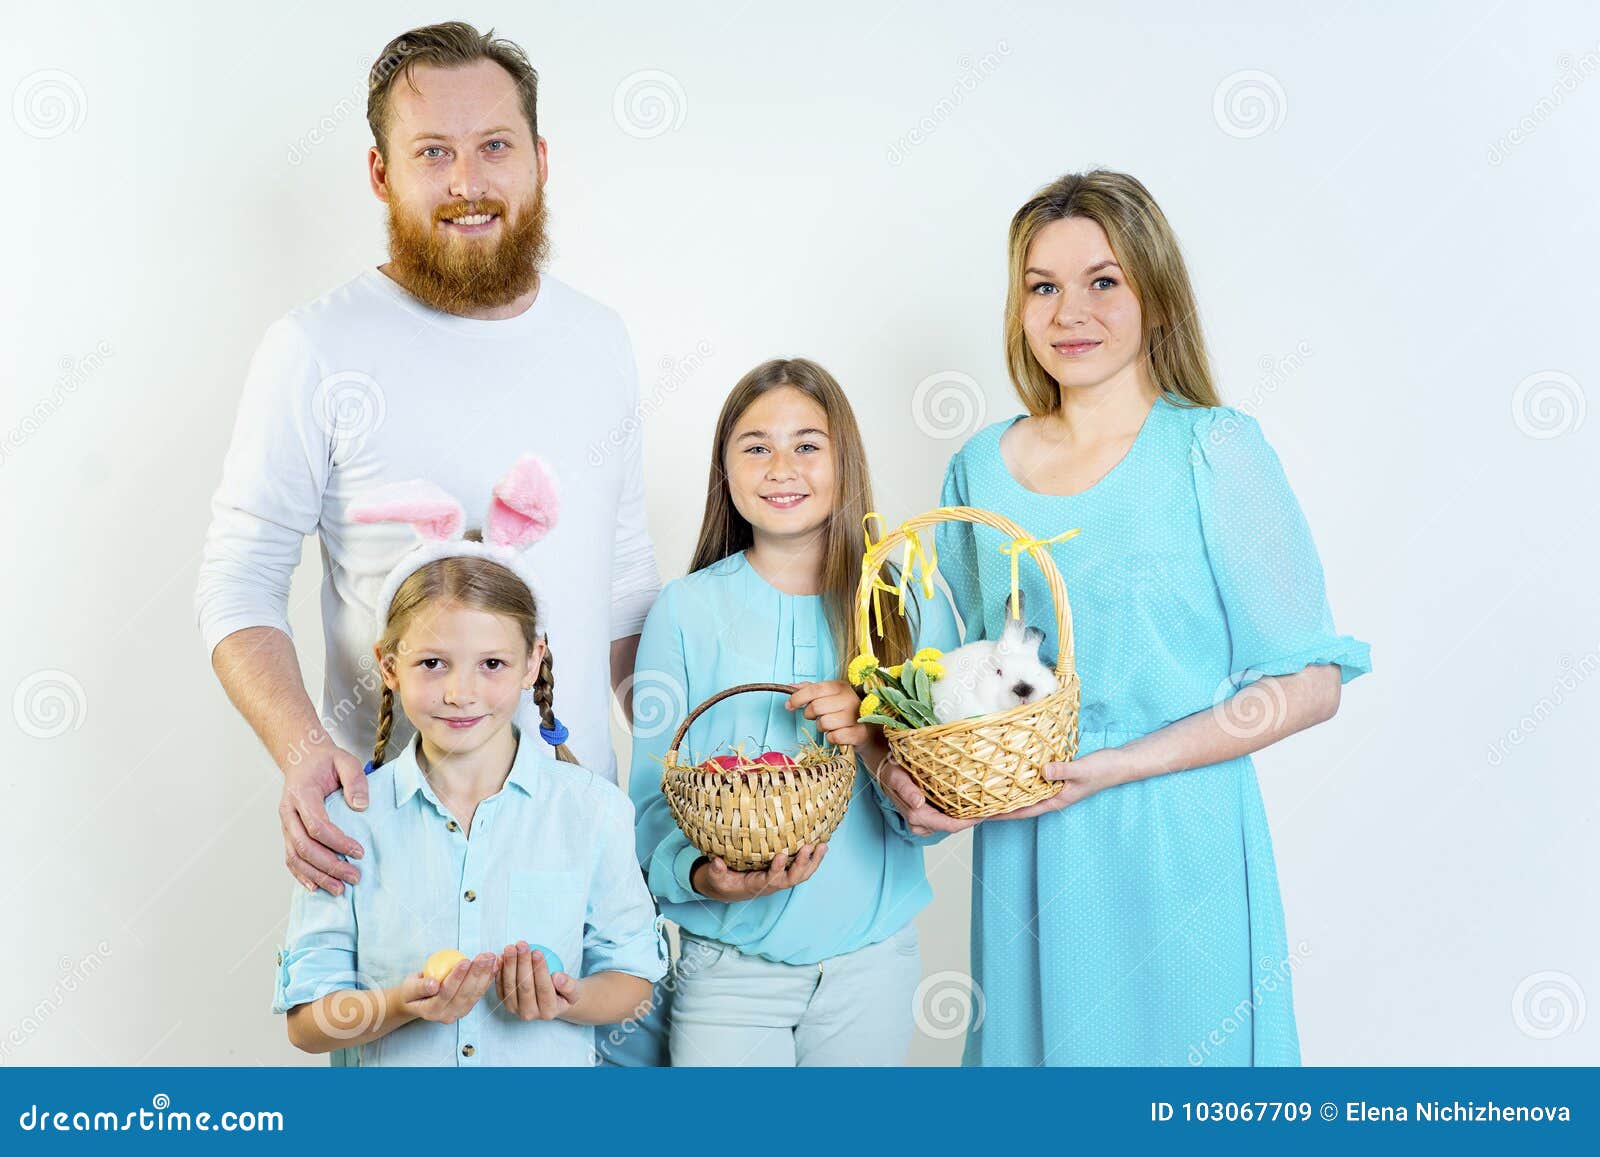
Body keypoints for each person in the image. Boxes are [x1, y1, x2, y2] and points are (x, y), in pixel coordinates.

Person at [885, 169, 1372, 1065]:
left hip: (1178, 846)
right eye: (1043, 287)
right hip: (1031, 853)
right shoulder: (979, 468)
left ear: (1155, 296)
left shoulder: (1214, 449)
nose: (1070, 311)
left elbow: (1311, 681)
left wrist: (1121, 763)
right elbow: (936, 675)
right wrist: (908, 775)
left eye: (1103, 281)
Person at [194, 22, 659, 907]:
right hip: (390, 845)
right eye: (433, 151)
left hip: (583, 846)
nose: (467, 182)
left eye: (494, 146)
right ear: (382, 173)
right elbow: (238, 581)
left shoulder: (600, 340)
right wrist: (302, 752)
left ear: (540, 158)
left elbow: (625, 572)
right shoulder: (314, 347)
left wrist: (676, 769)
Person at [621, 358, 960, 1066]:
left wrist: (870, 734)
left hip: (872, 957)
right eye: (756, 446)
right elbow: (651, 806)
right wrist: (703, 875)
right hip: (727, 963)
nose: (782, 467)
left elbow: (938, 807)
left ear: (845, 461)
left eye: (808, 444)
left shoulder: (901, 603)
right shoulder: (684, 611)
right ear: (725, 469)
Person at [273, 455, 666, 1065]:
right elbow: (307, 1023)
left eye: (492, 664)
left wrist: (566, 998)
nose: (461, 693)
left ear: (533, 662)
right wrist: (399, 1004)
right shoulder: (348, 822)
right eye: (433, 663)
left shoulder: (592, 812)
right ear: (389, 664)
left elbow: (633, 981)